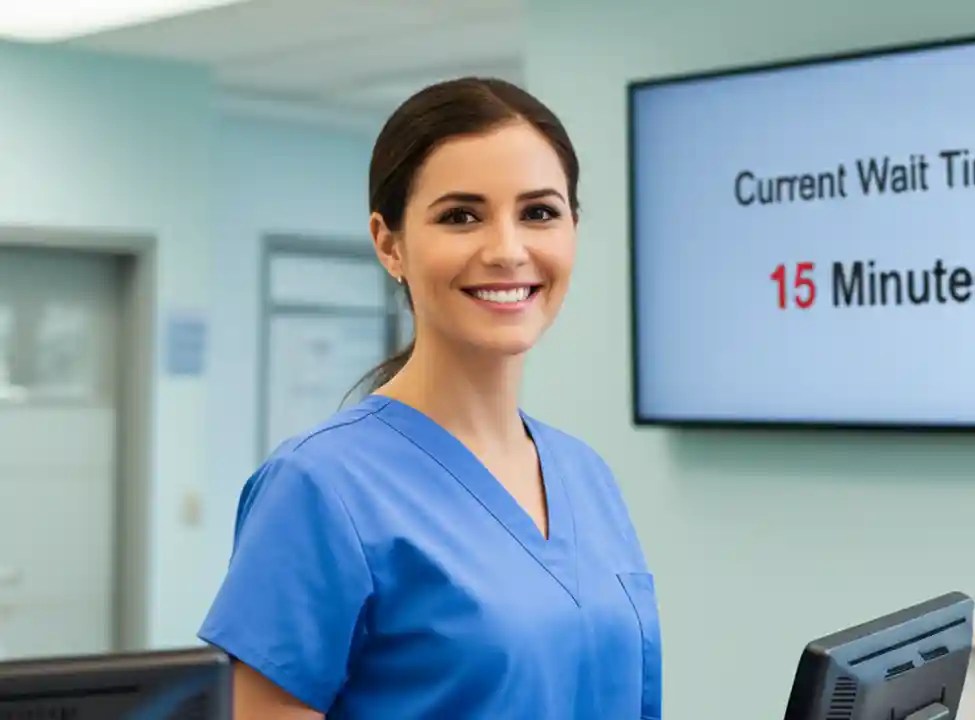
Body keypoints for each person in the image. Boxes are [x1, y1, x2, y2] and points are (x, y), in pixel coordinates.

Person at [198, 77, 662, 719]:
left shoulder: (587, 476)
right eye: (460, 216)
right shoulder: (319, 488)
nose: (507, 249)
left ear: (573, 230)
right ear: (390, 243)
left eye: (539, 213)